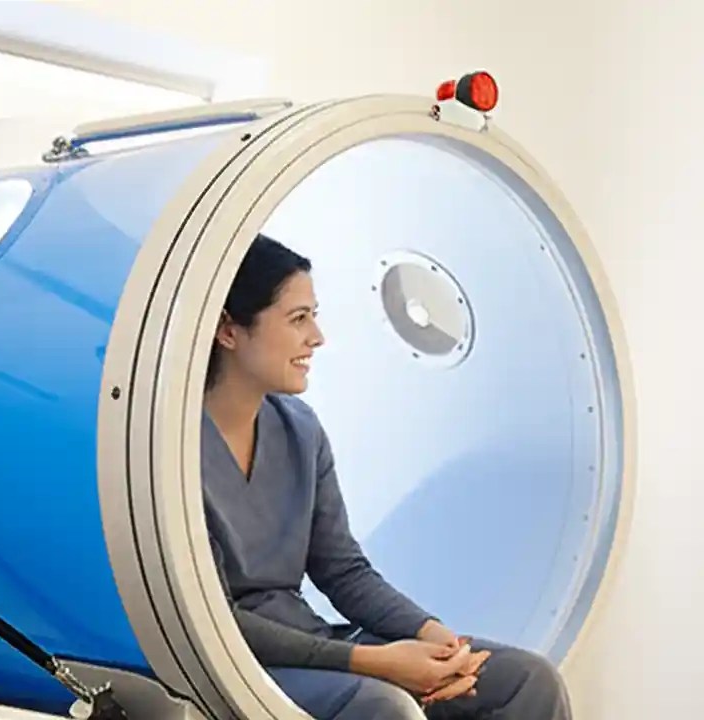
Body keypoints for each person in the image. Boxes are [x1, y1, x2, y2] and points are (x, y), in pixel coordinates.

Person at [201, 234, 574, 720]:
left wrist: (432, 636)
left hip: (314, 645)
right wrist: (373, 662)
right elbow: (210, 618)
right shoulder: (167, 450)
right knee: (383, 704)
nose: (317, 336)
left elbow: (343, 570)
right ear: (228, 330)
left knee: (523, 681)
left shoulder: (300, 429)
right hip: (226, 660)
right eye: (298, 319)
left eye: (313, 315)